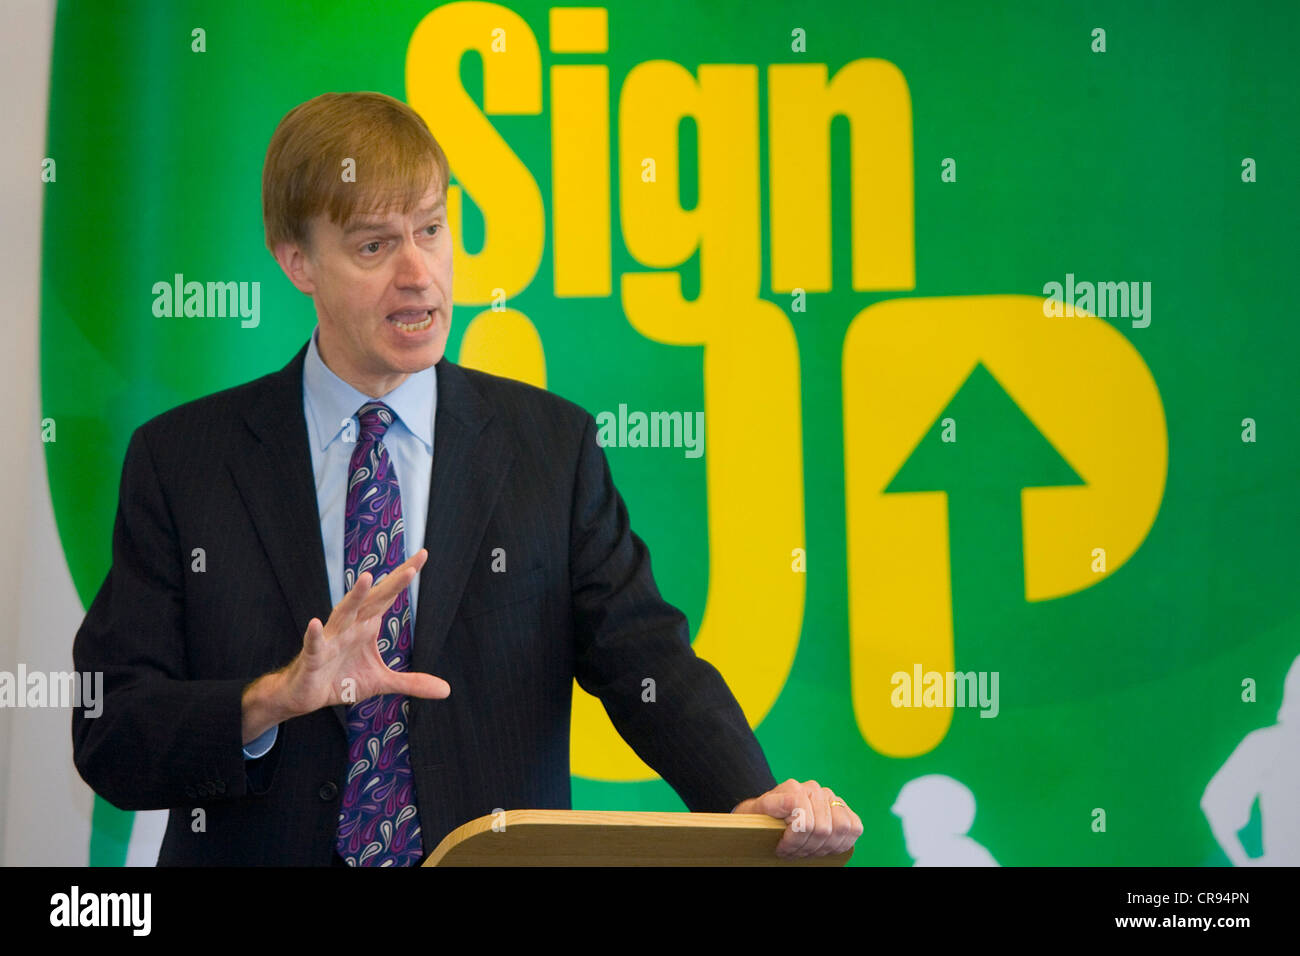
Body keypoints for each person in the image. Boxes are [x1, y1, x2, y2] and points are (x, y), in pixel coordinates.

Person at [71, 91, 862, 866]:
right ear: (297, 262)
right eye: (375, 246)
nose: (419, 273)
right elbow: (112, 732)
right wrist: (276, 695)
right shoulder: (183, 461)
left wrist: (745, 800)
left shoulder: (551, 446)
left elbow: (646, 659)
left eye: (432, 229)